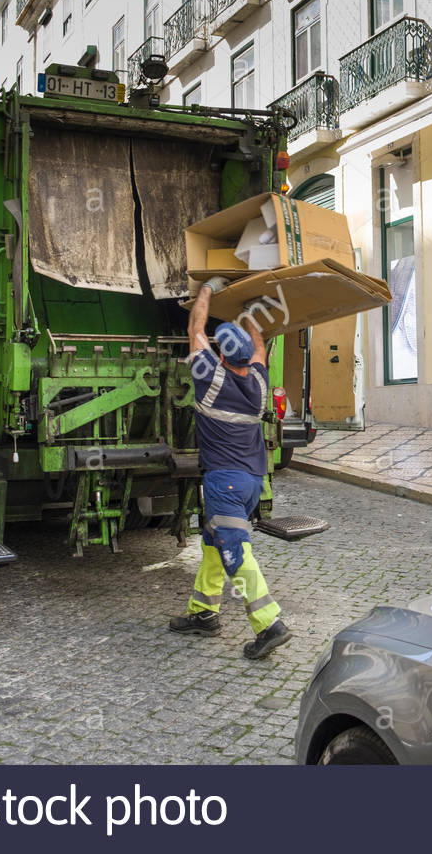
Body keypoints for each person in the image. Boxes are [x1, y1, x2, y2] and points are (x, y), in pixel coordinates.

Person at [168, 277, 291, 660]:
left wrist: (207, 289)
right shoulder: (257, 380)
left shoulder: (208, 378)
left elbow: (195, 327)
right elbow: (259, 346)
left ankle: (269, 624)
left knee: (235, 551)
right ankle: (203, 613)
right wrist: (250, 308)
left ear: (221, 355)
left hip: (225, 484)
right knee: (212, 543)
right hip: (252, 480)